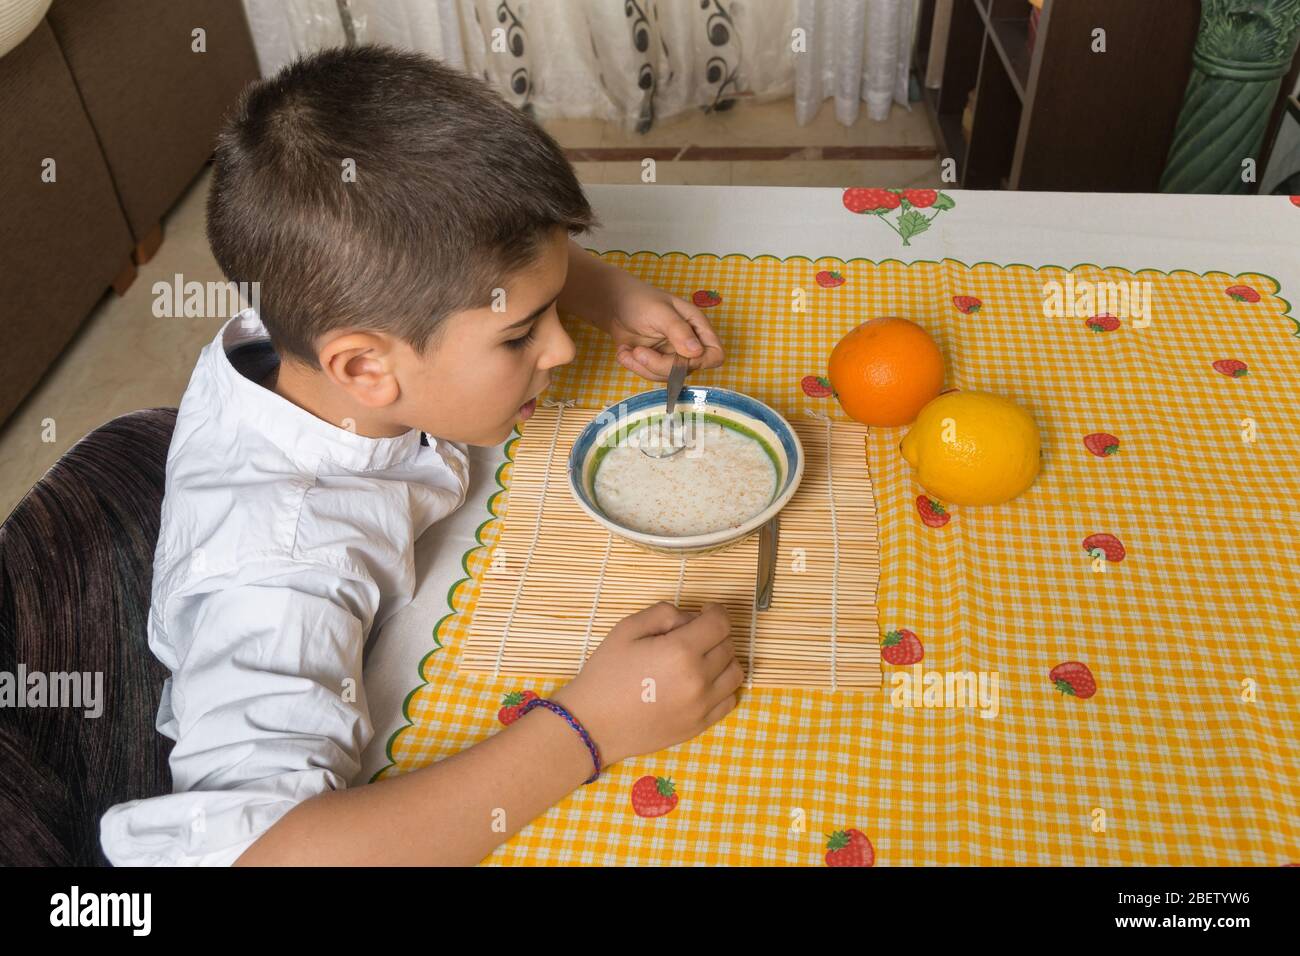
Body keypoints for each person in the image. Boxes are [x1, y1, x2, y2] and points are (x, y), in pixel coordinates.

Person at [99, 44, 739, 866]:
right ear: (366, 368)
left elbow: (452, 255)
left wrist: (599, 290)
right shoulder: (281, 575)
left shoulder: (315, 299)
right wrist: (589, 729)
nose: (563, 352)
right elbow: (262, 855)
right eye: (520, 335)